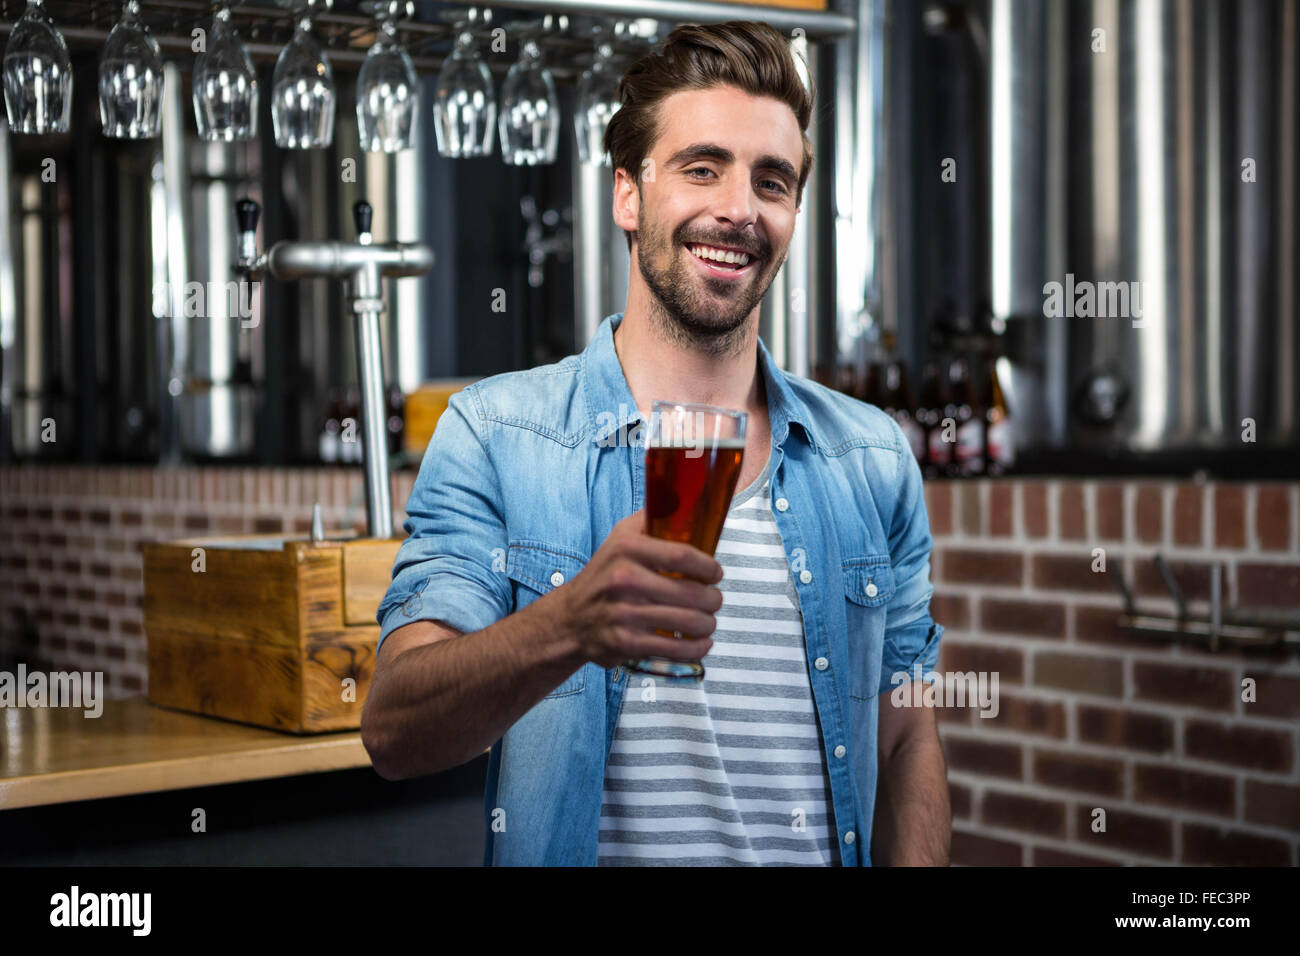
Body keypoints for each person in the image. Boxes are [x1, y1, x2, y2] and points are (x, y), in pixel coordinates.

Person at [362, 20, 949, 867]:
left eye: (772, 182)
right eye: (701, 168)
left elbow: (906, 739)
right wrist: (567, 625)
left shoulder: (871, 458)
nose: (739, 209)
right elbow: (394, 730)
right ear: (628, 195)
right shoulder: (497, 433)